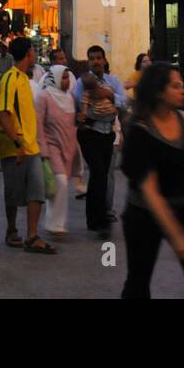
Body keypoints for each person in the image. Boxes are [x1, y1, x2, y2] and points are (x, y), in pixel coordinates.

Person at [120, 62, 184, 299]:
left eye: (181, 84)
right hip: (144, 214)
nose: (183, 90)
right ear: (159, 91)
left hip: (182, 206)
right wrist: (177, 236)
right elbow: (150, 191)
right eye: (175, 86)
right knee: (138, 282)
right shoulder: (140, 130)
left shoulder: (183, 120)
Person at [0, 37, 56, 254]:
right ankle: (12, 230)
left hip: (32, 147)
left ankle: (32, 236)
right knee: (13, 192)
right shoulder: (9, 78)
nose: (34, 54)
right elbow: (3, 113)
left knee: (37, 192)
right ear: (28, 53)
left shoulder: (24, 78)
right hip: (15, 147)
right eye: (33, 50)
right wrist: (17, 142)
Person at [75, 45, 127, 236]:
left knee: (102, 175)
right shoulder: (82, 83)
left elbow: (125, 101)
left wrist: (111, 96)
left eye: (98, 58)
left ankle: (96, 218)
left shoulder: (113, 82)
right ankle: (100, 218)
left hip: (108, 133)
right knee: (97, 172)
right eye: (92, 58)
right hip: (90, 133)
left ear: (104, 60)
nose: (96, 61)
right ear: (89, 62)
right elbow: (79, 102)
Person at [35, 64, 78, 237]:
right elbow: (38, 124)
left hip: (68, 146)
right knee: (60, 181)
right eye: (64, 78)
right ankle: (55, 224)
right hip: (51, 146)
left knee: (59, 184)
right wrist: (42, 148)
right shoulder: (44, 97)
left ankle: (54, 222)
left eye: (68, 78)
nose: (68, 81)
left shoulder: (69, 97)